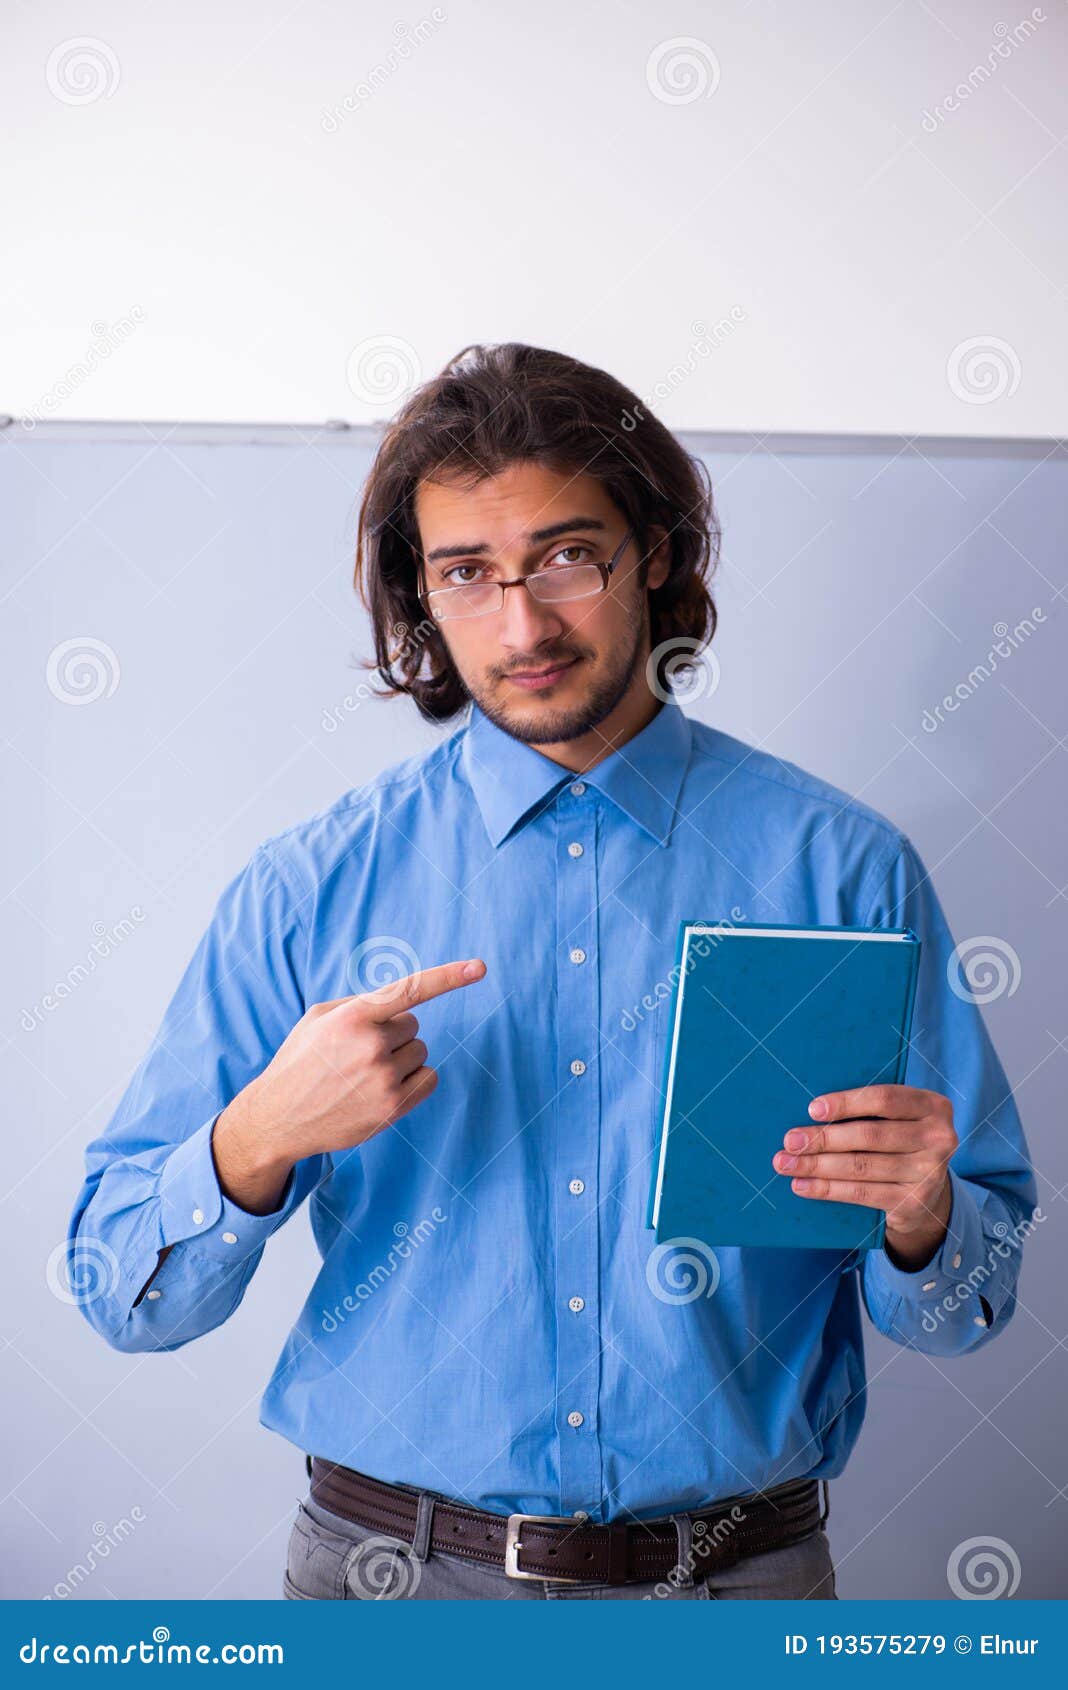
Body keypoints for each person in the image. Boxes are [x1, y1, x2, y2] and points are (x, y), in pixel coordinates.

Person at [69, 343, 1037, 1601]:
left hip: (736, 1596)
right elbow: (118, 1293)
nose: (522, 624)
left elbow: (970, 1303)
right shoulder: (308, 887)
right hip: (390, 1595)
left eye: (566, 557)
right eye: (468, 573)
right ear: (422, 596)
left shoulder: (843, 870)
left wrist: (923, 1221)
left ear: (655, 554)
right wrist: (253, 1139)